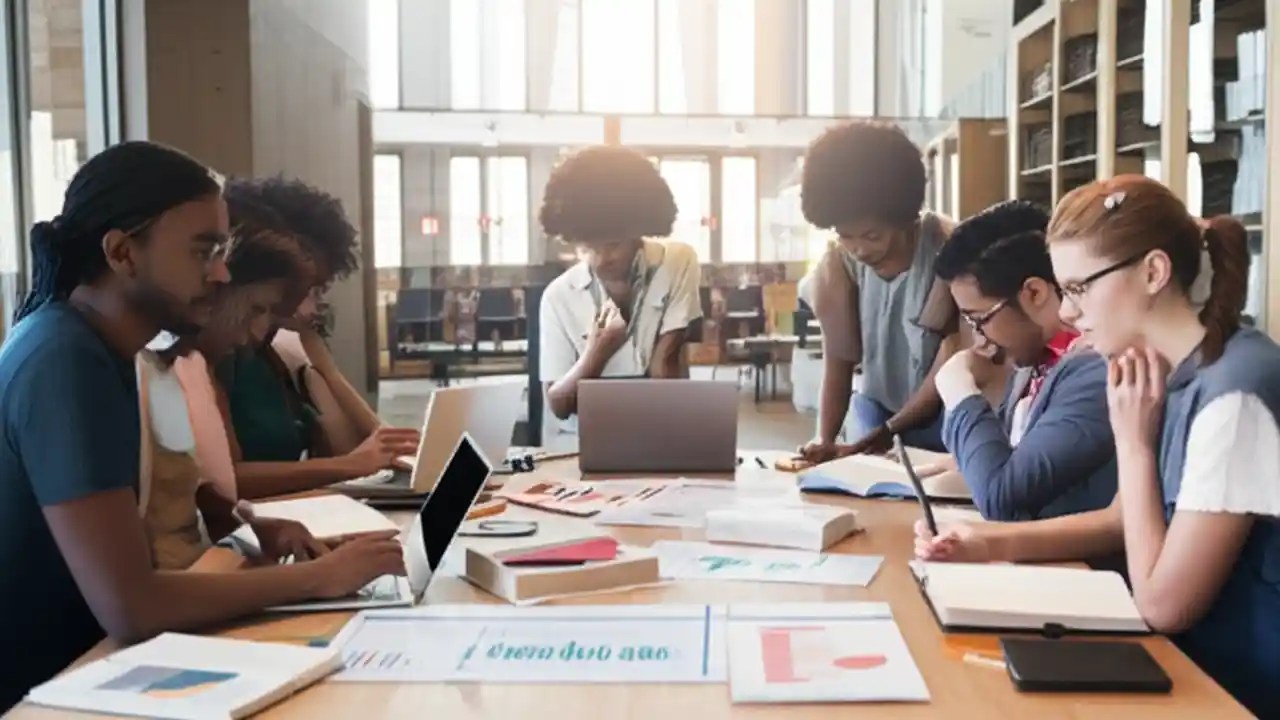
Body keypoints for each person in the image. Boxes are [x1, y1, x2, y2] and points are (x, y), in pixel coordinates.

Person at [0, 142, 405, 712]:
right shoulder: (66, 362)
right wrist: (321, 578)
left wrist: (241, 523)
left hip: (92, 665)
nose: (220, 273)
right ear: (122, 253)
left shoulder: (89, 345)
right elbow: (131, 606)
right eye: (204, 251)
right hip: (56, 688)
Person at [915, 175, 1279, 717]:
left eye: (1080, 288)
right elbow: (1120, 519)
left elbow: (1164, 605)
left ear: (1153, 273)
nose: (1065, 314)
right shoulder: (1175, 372)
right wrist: (983, 543)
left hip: (1231, 689)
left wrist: (1134, 442)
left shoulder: (1234, 395)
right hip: (1187, 666)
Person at [217, 179, 419, 498]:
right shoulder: (221, 350)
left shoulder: (277, 353)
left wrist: (324, 366)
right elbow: (226, 481)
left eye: (317, 289)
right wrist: (352, 464)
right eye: (311, 288)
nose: (310, 306)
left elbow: (354, 445)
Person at [139, 219, 320, 569]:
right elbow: (141, 593)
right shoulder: (147, 369)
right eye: (257, 309)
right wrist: (315, 578)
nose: (254, 334)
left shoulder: (186, 366)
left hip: (215, 569)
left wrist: (254, 531)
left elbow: (204, 497)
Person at [931, 200, 1116, 520]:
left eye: (980, 319)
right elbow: (1002, 459)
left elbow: (1001, 497)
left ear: (1033, 293)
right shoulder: (1033, 360)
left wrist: (959, 389)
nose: (978, 339)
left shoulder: (1093, 370)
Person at [797, 120, 963, 460]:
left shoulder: (951, 248)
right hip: (876, 408)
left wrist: (892, 430)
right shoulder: (837, 264)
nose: (859, 249)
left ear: (904, 217)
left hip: (944, 413)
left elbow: (952, 359)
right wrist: (824, 438)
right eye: (846, 235)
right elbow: (839, 358)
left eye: (872, 236)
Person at [537, 145, 703, 425]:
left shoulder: (677, 262)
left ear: (636, 233)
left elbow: (665, 366)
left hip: (661, 426)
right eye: (588, 248)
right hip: (585, 439)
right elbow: (558, 405)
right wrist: (597, 352)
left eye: (613, 245)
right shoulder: (558, 296)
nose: (601, 260)